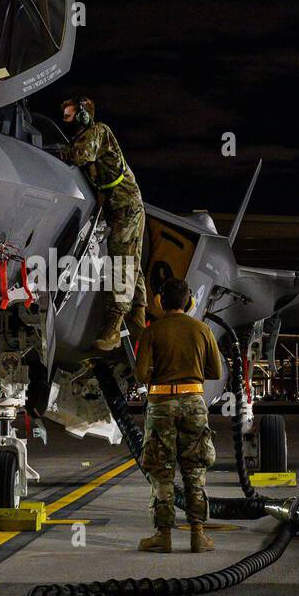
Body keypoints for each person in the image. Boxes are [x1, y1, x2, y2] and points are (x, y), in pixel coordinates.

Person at [133, 277, 222, 552]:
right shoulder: (203, 329)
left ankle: (163, 535)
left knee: (162, 471)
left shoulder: (152, 332)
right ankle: (198, 534)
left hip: (161, 404)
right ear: (190, 302)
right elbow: (215, 372)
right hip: (194, 403)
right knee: (194, 469)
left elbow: (141, 374)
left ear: (159, 301)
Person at [60, 96, 147, 350]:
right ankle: (139, 313)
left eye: (71, 112)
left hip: (126, 204)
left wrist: (56, 151)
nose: (66, 117)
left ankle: (114, 323)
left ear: (85, 113)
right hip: (116, 205)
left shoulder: (98, 131)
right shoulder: (82, 136)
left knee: (122, 260)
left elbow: (81, 156)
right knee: (130, 255)